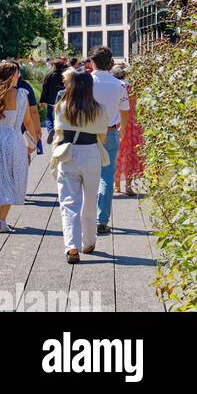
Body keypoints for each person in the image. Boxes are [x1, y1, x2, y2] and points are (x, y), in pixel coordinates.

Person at [51, 69, 110, 263]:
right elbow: (103, 136)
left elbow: (58, 131)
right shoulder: (99, 109)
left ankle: (72, 247)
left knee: (69, 201)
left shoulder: (62, 107)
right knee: (90, 199)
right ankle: (89, 241)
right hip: (91, 151)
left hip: (68, 152)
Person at [86, 46, 129, 236]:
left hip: (87, 133)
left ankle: (85, 217)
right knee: (107, 177)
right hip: (110, 132)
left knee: (85, 176)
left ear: (91, 62)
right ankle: (101, 221)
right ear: (110, 63)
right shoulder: (119, 85)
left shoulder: (85, 82)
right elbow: (125, 110)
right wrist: (122, 130)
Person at [0, 61, 38, 233]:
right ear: (11, 76)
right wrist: (32, 142)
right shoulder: (20, 95)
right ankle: (2, 220)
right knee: (11, 179)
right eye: (17, 73)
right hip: (12, 141)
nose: (19, 76)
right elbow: (27, 122)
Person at [112, 64, 144, 196]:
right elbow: (137, 104)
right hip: (131, 122)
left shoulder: (114, 87)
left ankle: (117, 185)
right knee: (130, 152)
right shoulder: (131, 87)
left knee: (117, 153)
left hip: (118, 120)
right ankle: (129, 186)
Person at [15, 67, 42, 163]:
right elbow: (33, 111)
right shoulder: (24, 87)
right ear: (18, 73)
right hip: (21, 126)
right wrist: (37, 129)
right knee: (24, 155)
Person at [40, 59, 68, 145]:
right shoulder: (65, 75)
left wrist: (42, 100)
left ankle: (50, 129)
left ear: (54, 66)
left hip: (51, 100)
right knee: (62, 117)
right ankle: (62, 135)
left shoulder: (49, 75)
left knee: (49, 117)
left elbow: (45, 89)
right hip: (63, 100)